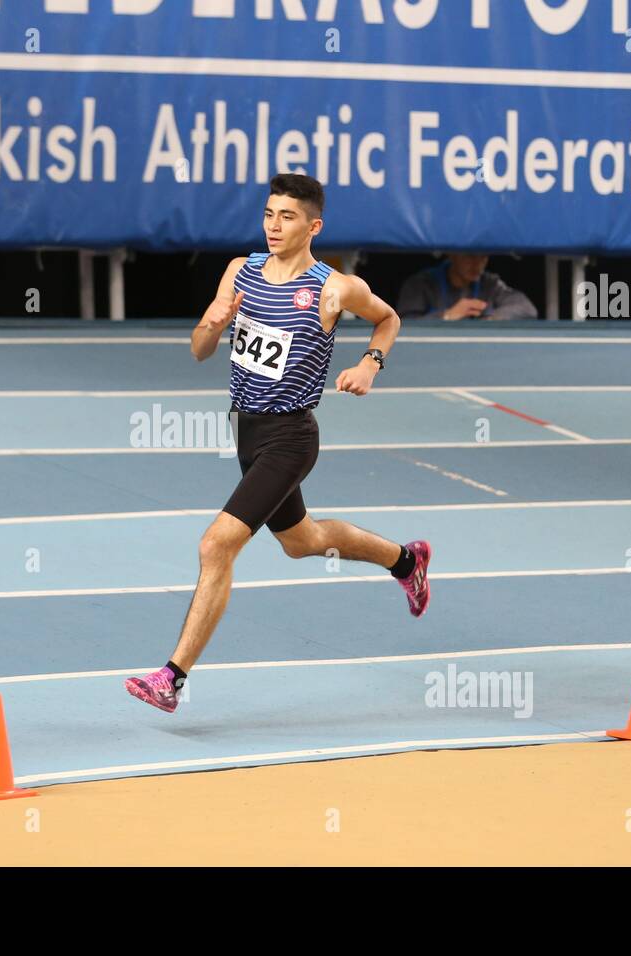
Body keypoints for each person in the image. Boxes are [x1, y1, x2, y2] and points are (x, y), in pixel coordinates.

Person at [124, 173, 432, 714]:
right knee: (302, 540)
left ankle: (171, 677)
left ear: (313, 226)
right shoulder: (238, 271)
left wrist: (369, 364)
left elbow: (388, 319)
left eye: (287, 217)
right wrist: (213, 325)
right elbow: (199, 350)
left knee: (216, 545)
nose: (273, 225)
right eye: (268, 214)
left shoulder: (334, 287)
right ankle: (406, 561)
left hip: (291, 436)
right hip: (245, 431)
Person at [396, 253, 538, 321]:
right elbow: (404, 325)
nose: (477, 264)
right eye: (470, 256)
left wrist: (491, 319)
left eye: (483, 257)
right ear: (451, 255)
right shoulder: (421, 283)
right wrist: (447, 316)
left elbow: (527, 308)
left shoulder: (490, 283)